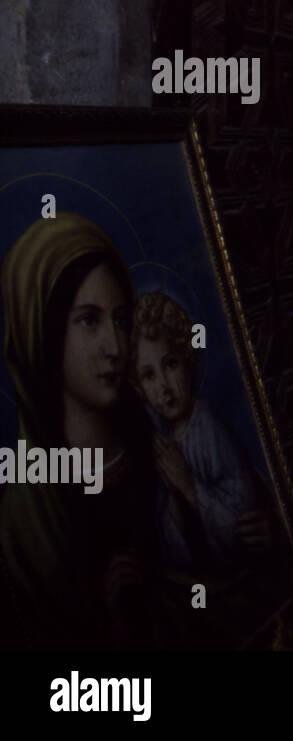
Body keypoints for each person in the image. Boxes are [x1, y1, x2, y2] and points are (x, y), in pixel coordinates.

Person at [0, 213, 180, 648]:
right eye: (88, 320)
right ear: (40, 331)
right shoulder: (25, 516)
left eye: (120, 319)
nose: (114, 347)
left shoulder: (156, 443)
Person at [130, 290, 271, 573]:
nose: (164, 386)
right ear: (139, 388)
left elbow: (243, 525)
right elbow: (174, 547)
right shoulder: (163, 440)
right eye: (149, 375)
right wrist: (175, 504)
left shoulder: (207, 426)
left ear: (187, 359)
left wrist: (188, 486)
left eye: (170, 364)